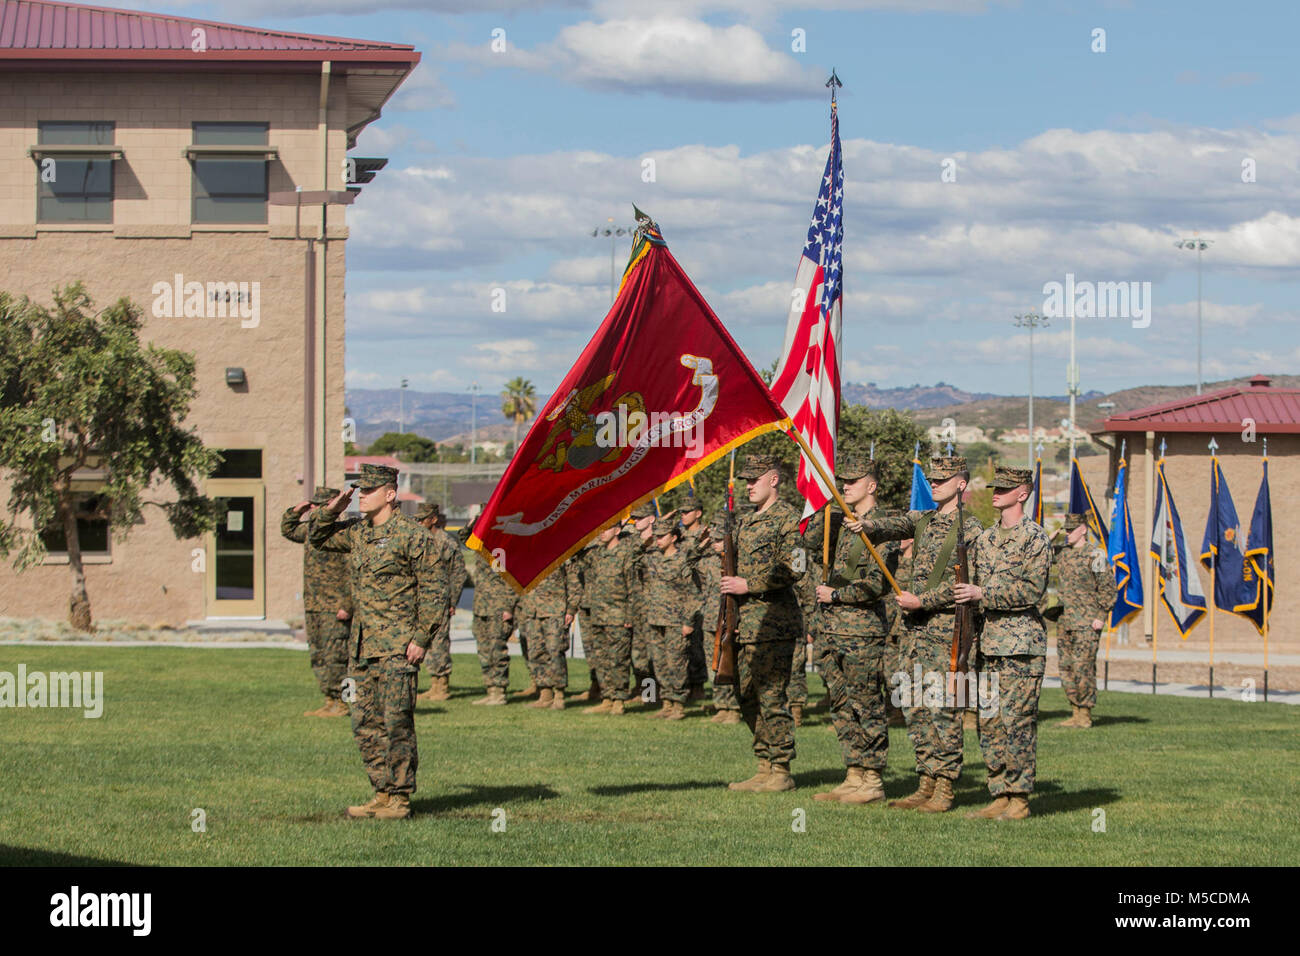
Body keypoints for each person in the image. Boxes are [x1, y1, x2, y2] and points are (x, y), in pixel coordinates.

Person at [309, 463, 450, 821]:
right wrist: (331, 510)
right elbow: (317, 538)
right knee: (364, 724)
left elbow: (435, 589)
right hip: (362, 648)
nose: (361, 496)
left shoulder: (411, 535)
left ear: (390, 494)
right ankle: (381, 793)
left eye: (368, 490)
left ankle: (400, 799)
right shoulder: (357, 533)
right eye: (359, 490)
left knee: (396, 723)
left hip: (398, 647)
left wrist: (421, 638)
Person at [858, 456, 983, 813]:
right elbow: (892, 525)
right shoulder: (923, 521)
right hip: (914, 632)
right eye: (932, 479)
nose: (935, 484)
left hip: (946, 631)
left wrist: (922, 600)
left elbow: (963, 585)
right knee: (914, 708)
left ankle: (944, 787)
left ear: (961, 484)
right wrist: (866, 525)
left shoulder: (970, 530)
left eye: (943, 479)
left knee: (942, 708)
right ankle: (925, 781)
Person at [955, 465, 1052, 821]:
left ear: (1022, 493)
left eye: (1005, 488)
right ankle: (999, 791)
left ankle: (1020, 798)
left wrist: (983, 593)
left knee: (1018, 722)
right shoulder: (984, 539)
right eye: (995, 487)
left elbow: (1030, 590)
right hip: (988, 645)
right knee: (990, 722)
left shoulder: (1035, 538)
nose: (996, 493)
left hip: (1021, 646)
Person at [810, 454, 897, 805]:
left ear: (871, 485)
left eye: (853, 481)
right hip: (833, 629)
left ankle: (873, 778)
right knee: (842, 704)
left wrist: (837, 595)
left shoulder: (882, 527)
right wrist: (825, 508)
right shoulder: (842, 523)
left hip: (862, 631)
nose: (845, 486)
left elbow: (879, 583)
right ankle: (854, 772)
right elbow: (808, 545)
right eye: (842, 481)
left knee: (866, 703)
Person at [722, 455, 804, 793]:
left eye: (755, 479)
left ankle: (781, 769)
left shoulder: (788, 519)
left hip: (773, 624)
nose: (749, 486)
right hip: (743, 623)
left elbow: (796, 567)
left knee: (772, 697)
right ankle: (763, 763)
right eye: (746, 480)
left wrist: (748, 584)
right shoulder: (743, 521)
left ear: (774, 480)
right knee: (746, 695)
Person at [281, 486, 353, 717]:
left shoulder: (344, 532)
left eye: (322, 506)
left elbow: (355, 573)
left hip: (336, 607)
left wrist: (348, 605)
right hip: (314, 606)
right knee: (319, 656)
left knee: (338, 658)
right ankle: (329, 699)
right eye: (315, 506)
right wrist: (296, 510)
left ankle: (346, 702)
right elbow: (288, 529)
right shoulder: (312, 531)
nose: (317, 511)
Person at [1053, 513, 1112, 729]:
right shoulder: (1063, 554)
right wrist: (1050, 537)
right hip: (1065, 620)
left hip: (1087, 621)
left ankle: (1085, 713)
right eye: (1066, 530)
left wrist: (1101, 616)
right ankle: (1075, 711)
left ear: (1083, 529)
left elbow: (1107, 587)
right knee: (1066, 667)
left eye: (1071, 530)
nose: (1068, 534)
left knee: (1083, 667)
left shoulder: (1095, 555)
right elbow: (1038, 553)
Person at [643, 511, 699, 720]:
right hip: (655, 618)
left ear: (674, 537)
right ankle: (666, 703)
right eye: (656, 536)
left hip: (676, 621)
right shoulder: (652, 558)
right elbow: (634, 552)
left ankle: (678, 704)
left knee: (676, 662)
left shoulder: (683, 559)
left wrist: (688, 621)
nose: (657, 540)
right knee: (659, 662)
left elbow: (693, 593)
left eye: (662, 536)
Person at [458, 517, 517, 706]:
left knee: (496, 649)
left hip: (497, 607)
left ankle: (499, 691)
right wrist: (474, 521)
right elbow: (464, 537)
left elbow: (508, 580)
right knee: (483, 648)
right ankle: (490, 689)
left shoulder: (499, 549)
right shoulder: (481, 546)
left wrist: (508, 607)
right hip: (481, 605)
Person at [580, 524, 638, 715]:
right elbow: (577, 555)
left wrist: (630, 615)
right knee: (601, 659)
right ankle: (606, 697)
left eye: (606, 528)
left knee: (618, 660)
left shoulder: (625, 555)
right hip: (598, 615)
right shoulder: (596, 554)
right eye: (600, 528)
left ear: (617, 530)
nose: (601, 531)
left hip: (618, 616)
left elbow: (633, 588)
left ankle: (619, 700)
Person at [414, 502, 467, 703]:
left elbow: (459, 573)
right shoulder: (421, 540)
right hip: (422, 601)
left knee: (440, 644)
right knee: (426, 642)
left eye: (423, 518)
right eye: (418, 519)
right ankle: (434, 684)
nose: (419, 522)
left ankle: (442, 685)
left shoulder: (446, 542)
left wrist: (452, 601)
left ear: (434, 519)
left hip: (440, 601)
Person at [516, 555, 578, 710]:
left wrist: (571, 609)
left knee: (555, 652)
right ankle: (545, 694)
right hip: (532, 610)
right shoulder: (528, 554)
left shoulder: (561, 553)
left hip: (555, 610)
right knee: (536, 652)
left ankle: (559, 695)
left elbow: (574, 583)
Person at [699, 528, 741, 723]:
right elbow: (686, 564)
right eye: (713, 540)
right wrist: (699, 544)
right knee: (713, 665)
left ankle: (733, 707)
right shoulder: (708, 562)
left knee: (730, 663)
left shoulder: (737, 563)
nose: (715, 544)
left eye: (719, 540)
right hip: (710, 619)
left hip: (728, 620)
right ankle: (721, 706)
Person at [570, 540, 603, 703]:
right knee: (590, 649)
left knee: (605, 649)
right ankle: (596, 686)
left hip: (602, 605)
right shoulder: (579, 550)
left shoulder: (598, 547)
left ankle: (647, 694)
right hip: (584, 602)